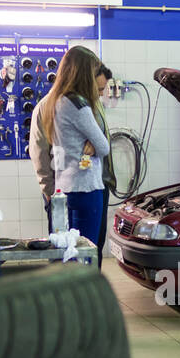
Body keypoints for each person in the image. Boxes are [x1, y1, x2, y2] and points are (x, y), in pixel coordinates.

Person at [34, 46, 109, 260]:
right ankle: (85, 293)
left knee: (65, 254)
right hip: (84, 188)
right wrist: (95, 145)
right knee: (85, 253)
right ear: (85, 73)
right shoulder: (77, 104)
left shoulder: (54, 102)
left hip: (64, 188)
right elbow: (103, 146)